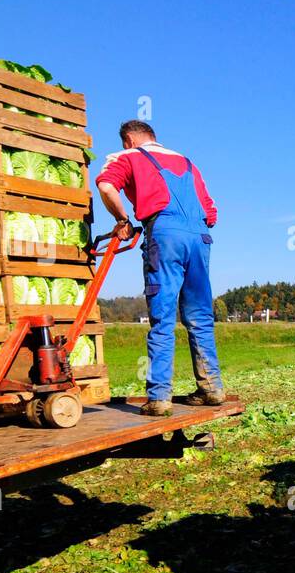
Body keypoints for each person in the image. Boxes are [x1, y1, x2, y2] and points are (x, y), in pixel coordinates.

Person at [96, 121, 225, 416]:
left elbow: (105, 186)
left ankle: (159, 397)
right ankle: (212, 389)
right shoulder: (188, 163)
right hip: (199, 237)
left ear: (129, 140)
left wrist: (122, 219)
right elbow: (211, 210)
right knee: (200, 318)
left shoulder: (128, 157)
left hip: (165, 235)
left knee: (163, 319)